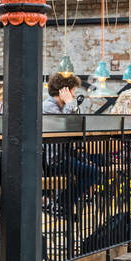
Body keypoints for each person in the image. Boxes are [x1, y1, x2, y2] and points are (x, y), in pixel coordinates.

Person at [42, 73, 99, 217]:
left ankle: (62, 204)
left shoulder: (60, 107)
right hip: (52, 161)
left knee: (94, 168)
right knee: (93, 173)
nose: (74, 95)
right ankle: (61, 204)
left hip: (63, 156)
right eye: (73, 91)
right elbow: (67, 126)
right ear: (64, 90)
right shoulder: (49, 107)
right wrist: (69, 103)